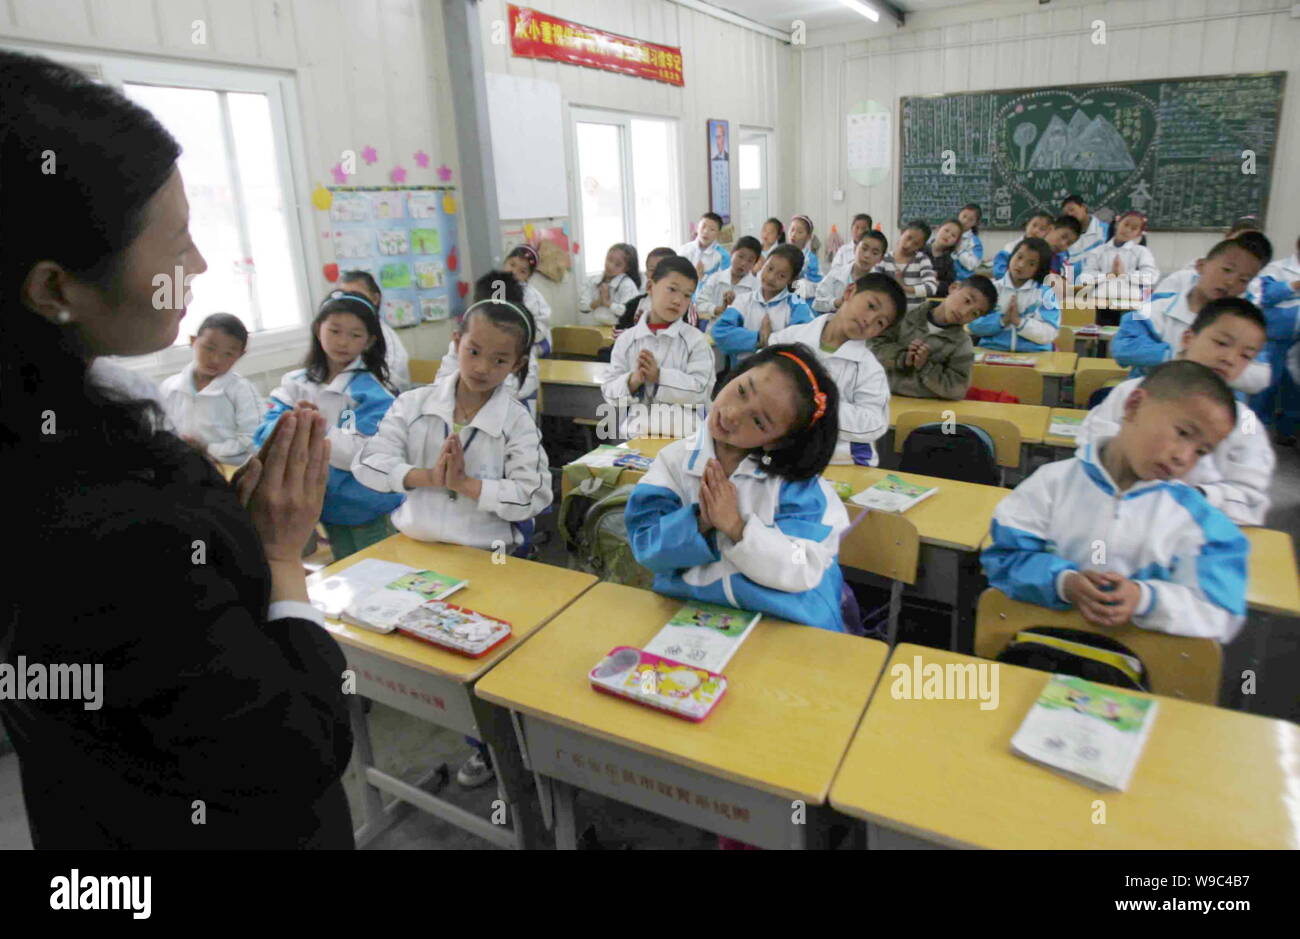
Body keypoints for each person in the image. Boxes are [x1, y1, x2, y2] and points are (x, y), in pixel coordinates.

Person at [0, 48, 353, 848]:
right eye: (177, 241)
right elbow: (293, 751)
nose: (197, 263)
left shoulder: (55, 442)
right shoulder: (111, 524)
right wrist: (280, 557)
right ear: (56, 287)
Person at [982, 360, 1248, 643]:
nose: (1183, 457)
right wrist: (1063, 583)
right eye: (1182, 433)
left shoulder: (1199, 522)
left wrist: (1146, 599)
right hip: (1041, 649)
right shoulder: (1051, 484)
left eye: (1201, 451)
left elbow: (1221, 611)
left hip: (1135, 673)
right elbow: (1002, 560)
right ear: (1133, 405)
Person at [626, 344, 850, 632]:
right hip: (691, 616)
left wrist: (736, 527)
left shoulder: (798, 487)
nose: (733, 414)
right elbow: (646, 545)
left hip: (783, 624)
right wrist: (701, 522)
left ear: (778, 441)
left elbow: (803, 565)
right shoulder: (675, 461)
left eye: (758, 421)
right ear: (737, 374)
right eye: (742, 390)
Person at [1078, 298, 1273, 526]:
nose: (1229, 359)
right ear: (1188, 339)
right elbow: (1090, 449)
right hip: (1113, 517)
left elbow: (1250, 499)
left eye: (1245, 356)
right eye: (1221, 343)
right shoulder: (1131, 393)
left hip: (1191, 530)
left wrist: (1195, 497)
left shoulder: (1246, 424)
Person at [254, 290, 404, 560]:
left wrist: (314, 427)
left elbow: (359, 454)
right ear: (317, 329)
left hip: (367, 505)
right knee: (346, 566)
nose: (343, 342)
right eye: (335, 330)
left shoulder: (369, 394)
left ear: (369, 342)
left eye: (355, 335)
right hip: (325, 503)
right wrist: (298, 424)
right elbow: (264, 435)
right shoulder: (295, 383)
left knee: (380, 569)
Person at [771, 271, 905, 466]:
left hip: (842, 462)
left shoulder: (869, 369)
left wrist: (815, 406)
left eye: (880, 322)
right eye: (870, 306)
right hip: (783, 452)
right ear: (850, 291)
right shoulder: (786, 340)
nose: (869, 320)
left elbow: (874, 423)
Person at [1113, 235, 1271, 380]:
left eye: (1243, 280)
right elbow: (1123, 347)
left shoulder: (1245, 323)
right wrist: (1184, 356)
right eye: (1227, 270)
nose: (1231, 282)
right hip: (1153, 398)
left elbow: (1261, 376)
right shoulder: (1156, 307)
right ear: (1201, 266)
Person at [600, 256, 713, 439]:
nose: (678, 300)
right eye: (672, 289)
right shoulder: (628, 340)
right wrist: (633, 380)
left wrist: (659, 376)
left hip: (683, 436)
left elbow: (701, 391)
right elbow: (609, 393)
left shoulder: (695, 341)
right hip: (636, 436)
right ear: (651, 287)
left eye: (687, 295)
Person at [867, 276, 998, 399]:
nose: (964, 312)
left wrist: (926, 366)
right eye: (967, 301)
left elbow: (958, 389)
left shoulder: (962, 345)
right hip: (878, 396)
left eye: (974, 313)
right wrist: (902, 357)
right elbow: (872, 347)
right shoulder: (903, 314)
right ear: (954, 288)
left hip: (924, 409)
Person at [159, 312, 262, 466]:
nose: (216, 359)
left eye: (228, 354)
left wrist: (207, 449)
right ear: (193, 341)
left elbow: (252, 442)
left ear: (240, 355)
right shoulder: (170, 387)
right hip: (181, 466)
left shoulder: (241, 391)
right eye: (209, 348)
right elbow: (161, 430)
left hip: (228, 469)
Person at [712, 244, 813, 370]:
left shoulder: (797, 304)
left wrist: (770, 340)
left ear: (791, 280)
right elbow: (720, 332)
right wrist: (758, 338)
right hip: (741, 373)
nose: (771, 278)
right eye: (769, 268)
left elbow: (803, 342)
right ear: (763, 264)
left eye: (781, 276)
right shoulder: (744, 300)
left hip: (778, 375)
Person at [968, 237, 1060, 352]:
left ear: (1039, 269)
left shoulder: (1046, 294)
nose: (1021, 265)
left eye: (1031, 264)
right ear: (1011, 256)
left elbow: (1050, 333)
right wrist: (1002, 320)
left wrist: (1019, 322)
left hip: (1035, 354)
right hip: (993, 352)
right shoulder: (991, 288)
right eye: (1019, 257)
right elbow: (973, 325)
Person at [1249, 235, 1300, 439]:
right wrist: (1294, 285)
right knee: (1263, 386)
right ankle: (1249, 433)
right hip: (1274, 340)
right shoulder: (1277, 269)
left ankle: (1287, 433)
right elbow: (1265, 294)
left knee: (1293, 387)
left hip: (1297, 343)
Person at [338, 269, 411, 391]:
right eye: (344, 296)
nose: (349, 303)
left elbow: (389, 381)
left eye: (356, 296)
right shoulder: (338, 334)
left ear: (375, 299)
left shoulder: (385, 337)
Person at [814, 230, 888, 313]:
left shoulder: (880, 286)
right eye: (864, 249)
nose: (867, 255)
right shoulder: (835, 274)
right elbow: (817, 303)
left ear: (880, 259)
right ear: (855, 249)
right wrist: (837, 302)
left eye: (874, 253)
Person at [503, 244, 554, 356]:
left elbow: (539, 329)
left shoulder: (531, 296)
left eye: (522, 271)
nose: (514, 272)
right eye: (512, 265)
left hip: (536, 344)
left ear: (528, 277)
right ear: (505, 262)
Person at [697, 235, 761, 323]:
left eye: (750, 261)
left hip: (740, 333)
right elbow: (699, 304)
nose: (743, 263)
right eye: (740, 256)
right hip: (714, 332)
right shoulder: (716, 278)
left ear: (755, 264)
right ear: (732, 253)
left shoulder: (756, 287)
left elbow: (757, 316)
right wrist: (718, 309)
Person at [578, 243, 641, 326]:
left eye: (617, 264)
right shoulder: (593, 281)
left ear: (627, 268)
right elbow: (582, 306)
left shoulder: (627, 285)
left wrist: (608, 303)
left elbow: (628, 312)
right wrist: (599, 301)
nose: (610, 266)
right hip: (597, 328)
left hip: (620, 330)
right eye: (609, 259)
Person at [876, 220, 938, 305]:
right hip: (890, 313)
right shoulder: (884, 259)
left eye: (916, 244)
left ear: (921, 246)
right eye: (908, 238)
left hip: (915, 314)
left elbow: (931, 288)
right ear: (902, 232)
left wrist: (905, 288)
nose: (909, 245)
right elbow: (875, 285)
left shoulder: (922, 259)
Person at [991, 211, 1053, 279]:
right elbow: (999, 272)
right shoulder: (1011, 246)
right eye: (1034, 225)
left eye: (1042, 229)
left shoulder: (1047, 251)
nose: (1036, 230)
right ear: (1027, 224)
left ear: (1048, 232)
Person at [1061, 194, 1108, 279]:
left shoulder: (1106, 230)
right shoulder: (1065, 241)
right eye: (1066, 214)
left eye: (1072, 210)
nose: (1070, 215)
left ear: (1084, 207)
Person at [679, 212, 730, 284]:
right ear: (697, 228)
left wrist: (703, 277)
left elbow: (723, 284)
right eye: (703, 226)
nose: (706, 232)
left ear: (718, 234)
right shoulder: (685, 250)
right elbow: (677, 276)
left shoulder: (723, 256)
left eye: (712, 229)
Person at [923, 219, 962, 298]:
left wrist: (937, 283)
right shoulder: (920, 249)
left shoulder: (949, 261)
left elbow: (949, 285)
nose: (948, 235)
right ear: (938, 229)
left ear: (955, 242)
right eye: (946, 230)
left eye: (953, 235)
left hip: (933, 299)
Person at [951, 203, 985, 281]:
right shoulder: (949, 232)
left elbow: (972, 265)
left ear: (975, 223)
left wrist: (959, 250)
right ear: (959, 214)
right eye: (964, 216)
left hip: (963, 281)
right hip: (945, 278)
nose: (965, 221)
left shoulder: (975, 242)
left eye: (971, 220)